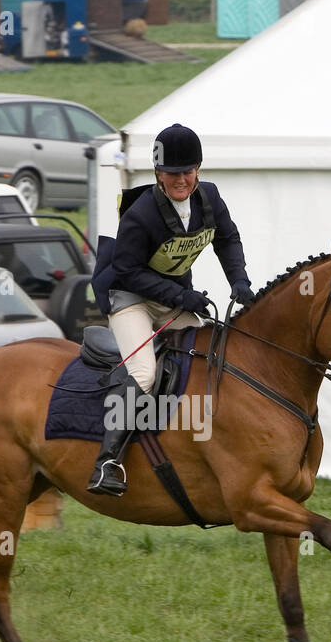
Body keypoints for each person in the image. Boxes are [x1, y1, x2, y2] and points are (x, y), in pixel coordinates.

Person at [86, 123, 253, 496]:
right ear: (159, 174)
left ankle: (192, 440)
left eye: (188, 171)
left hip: (171, 297)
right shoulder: (141, 214)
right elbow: (128, 272)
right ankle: (107, 462)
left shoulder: (208, 198)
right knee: (144, 372)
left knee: (205, 353)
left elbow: (228, 239)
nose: (182, 179)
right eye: (173, 173)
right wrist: (182, 298)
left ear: (198, 170)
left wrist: (239, 280)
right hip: (129, 298)